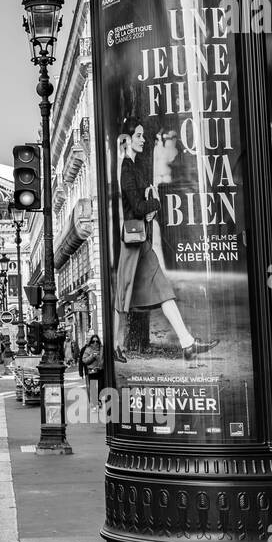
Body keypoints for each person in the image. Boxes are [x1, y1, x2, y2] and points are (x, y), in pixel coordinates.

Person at [112, 119, 216, 364]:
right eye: (138, 135)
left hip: (141, 243)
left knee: (162, 291)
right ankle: (116, 346)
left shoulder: (132, 167)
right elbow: (137, 207)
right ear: (126, 140)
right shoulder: (127, 169)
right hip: (132, 244)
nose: (143, 139)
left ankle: (187, 343)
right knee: (123, 298)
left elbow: (138, 204)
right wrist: (154, 203)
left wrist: (148, 201)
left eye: (143, 135)